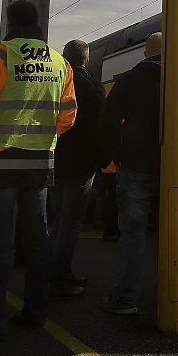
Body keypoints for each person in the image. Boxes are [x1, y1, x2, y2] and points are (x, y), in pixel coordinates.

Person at [0, 0, 76, 342]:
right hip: (39, 163)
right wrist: (45, 139)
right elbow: (68, 115)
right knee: (37, 238)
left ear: (10, 22)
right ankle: (36, 312)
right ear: (38, 23)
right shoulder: (60, 62)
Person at [98, 32, 178, 316]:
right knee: (172, 233)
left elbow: (108, 120)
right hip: (173, 171)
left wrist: (114, 156)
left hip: (135, 168)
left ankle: (125, 298)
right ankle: (172, 294)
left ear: (146, 54)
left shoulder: (130, 80)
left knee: (132, 234)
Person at [49, 39, 107, 298]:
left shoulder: (55, 82)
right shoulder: (92, 86)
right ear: (86, 59)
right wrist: (102, 159)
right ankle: (60, 276)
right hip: (81, 163)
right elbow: (98, 127)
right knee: (71, 222)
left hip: (55, 159)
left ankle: (53, 270)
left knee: (57, 218)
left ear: (64, 57)